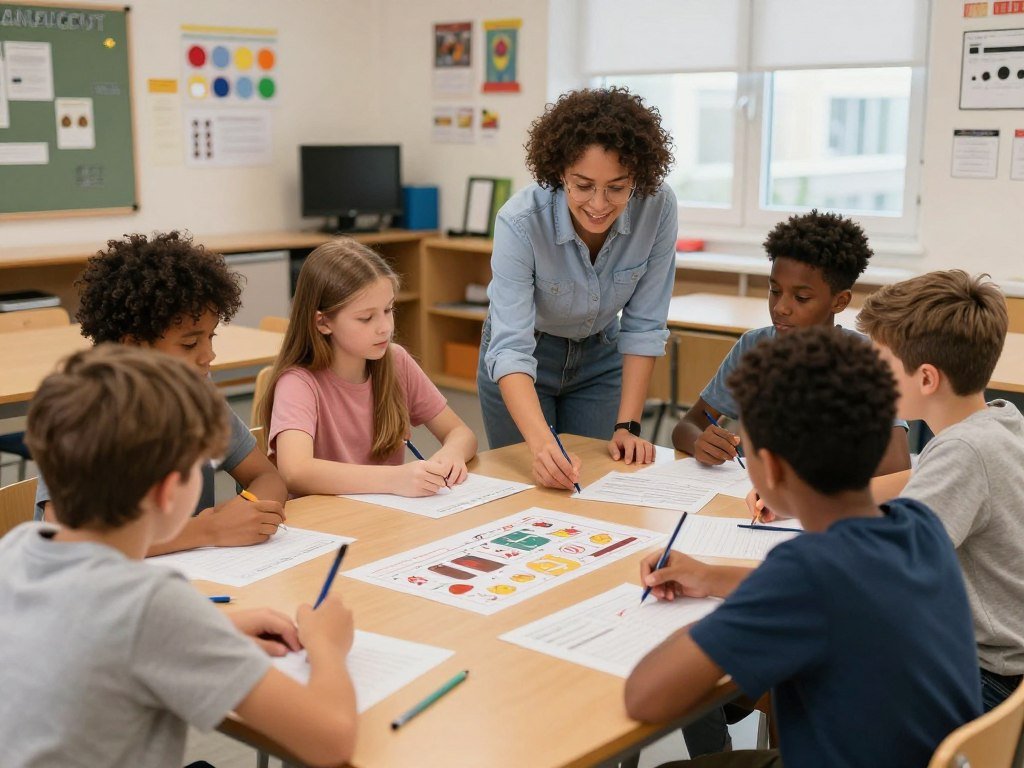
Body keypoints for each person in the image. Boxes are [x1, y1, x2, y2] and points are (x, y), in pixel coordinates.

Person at [625, 327, 982, 768]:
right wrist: (712, 577)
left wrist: (702, 625)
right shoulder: (917, 525)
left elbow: (644, 696)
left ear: (770, 467)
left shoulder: (805, 572)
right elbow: (834, 589)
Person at [1, 345, 356, 768]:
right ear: (169, 492)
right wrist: (327, 644)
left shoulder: (19, 546)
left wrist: (207, 625)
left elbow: (83, 623)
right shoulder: (151, 605)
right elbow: (331, 740)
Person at [34, 231, 287, 554]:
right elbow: (67, 539)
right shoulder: (84, 410)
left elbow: (267, 476)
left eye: (211, 337)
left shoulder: (199, 396)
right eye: (189, 344)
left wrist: (249, 509)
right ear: (134, 345)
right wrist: (207, 530)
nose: (208, 355)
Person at [478, 87, 677, 490]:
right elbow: (511, 348)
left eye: (617, 188)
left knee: (600, 485)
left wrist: (628, 425)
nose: (598, 204)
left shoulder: (658, 207)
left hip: (600, 359)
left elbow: (644, 326)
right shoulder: (519, 221)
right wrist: (540, 445)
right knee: (533, 488)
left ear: (638, 176)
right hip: (524, 360)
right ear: (559, 172)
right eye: (582, 185)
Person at [858, 269, 1024, 712]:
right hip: (1002, 668)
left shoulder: (964, 450)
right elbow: (916, 479)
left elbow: (882, 569)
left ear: (926, 379)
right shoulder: (998, 421)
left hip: (982, 677)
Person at [672, 210, 910, 477]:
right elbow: (688, 425)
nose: (781, 308)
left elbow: (897, 466)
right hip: (754, 499)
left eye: (802, 298)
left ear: (839, 301)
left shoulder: (866, 360)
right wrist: (699, 441)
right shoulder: (753, 347)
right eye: (774, 291)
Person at [264, 238, 477, 497]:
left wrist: (450, 454)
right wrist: (395, 479)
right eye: (366, 318)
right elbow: (295, 472)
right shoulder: (298, 383)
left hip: (386, 521)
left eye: (388, 310)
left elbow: (460, 432)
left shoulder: (396, 361)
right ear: (322, 322)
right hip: (329, 525)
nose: (385, 327)